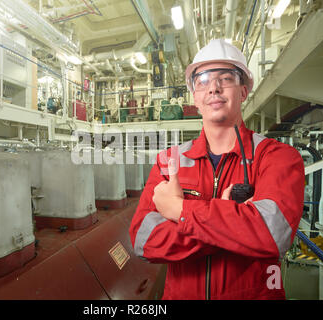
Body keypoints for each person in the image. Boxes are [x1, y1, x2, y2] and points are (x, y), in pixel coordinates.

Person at [129, 39, 305, 300]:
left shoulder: (277, 157)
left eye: (226, 78)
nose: (213, 87)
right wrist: (233, 224)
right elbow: (144, 241)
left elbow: (272, 235)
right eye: (203, 80)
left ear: (243, 92)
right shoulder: (169, 161)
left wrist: (180, 211)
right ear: (195, 97)